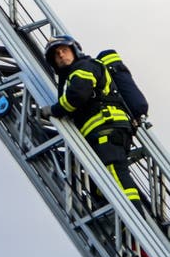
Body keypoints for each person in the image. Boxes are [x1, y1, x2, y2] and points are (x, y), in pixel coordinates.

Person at [39, 35, 143, 212]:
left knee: (115, 172)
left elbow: (78, 95)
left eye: (64, 50)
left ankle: (134, 226)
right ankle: (122, 221)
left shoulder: (84, 67)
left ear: (75, 51)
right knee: (99, 185)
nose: (61, 56)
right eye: (56, 55)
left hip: (106, 131)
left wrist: (54, 110)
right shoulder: (70, 78)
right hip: (100, 135)